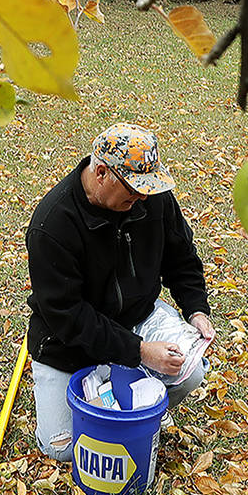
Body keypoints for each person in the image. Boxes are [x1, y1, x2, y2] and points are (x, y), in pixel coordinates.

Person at [26, 122, 216, 462]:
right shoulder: (52, 224)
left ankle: (140, 406)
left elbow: (182, 258)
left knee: (190, 371)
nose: (142, 197)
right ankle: (93, 388)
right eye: (133, 188)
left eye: (147, 188)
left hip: (137, 315)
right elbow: (69, 316)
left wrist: (196, 310)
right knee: (67, 448)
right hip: (67, 343)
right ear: (101, 173)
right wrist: (141, 351)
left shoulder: (151, 198)